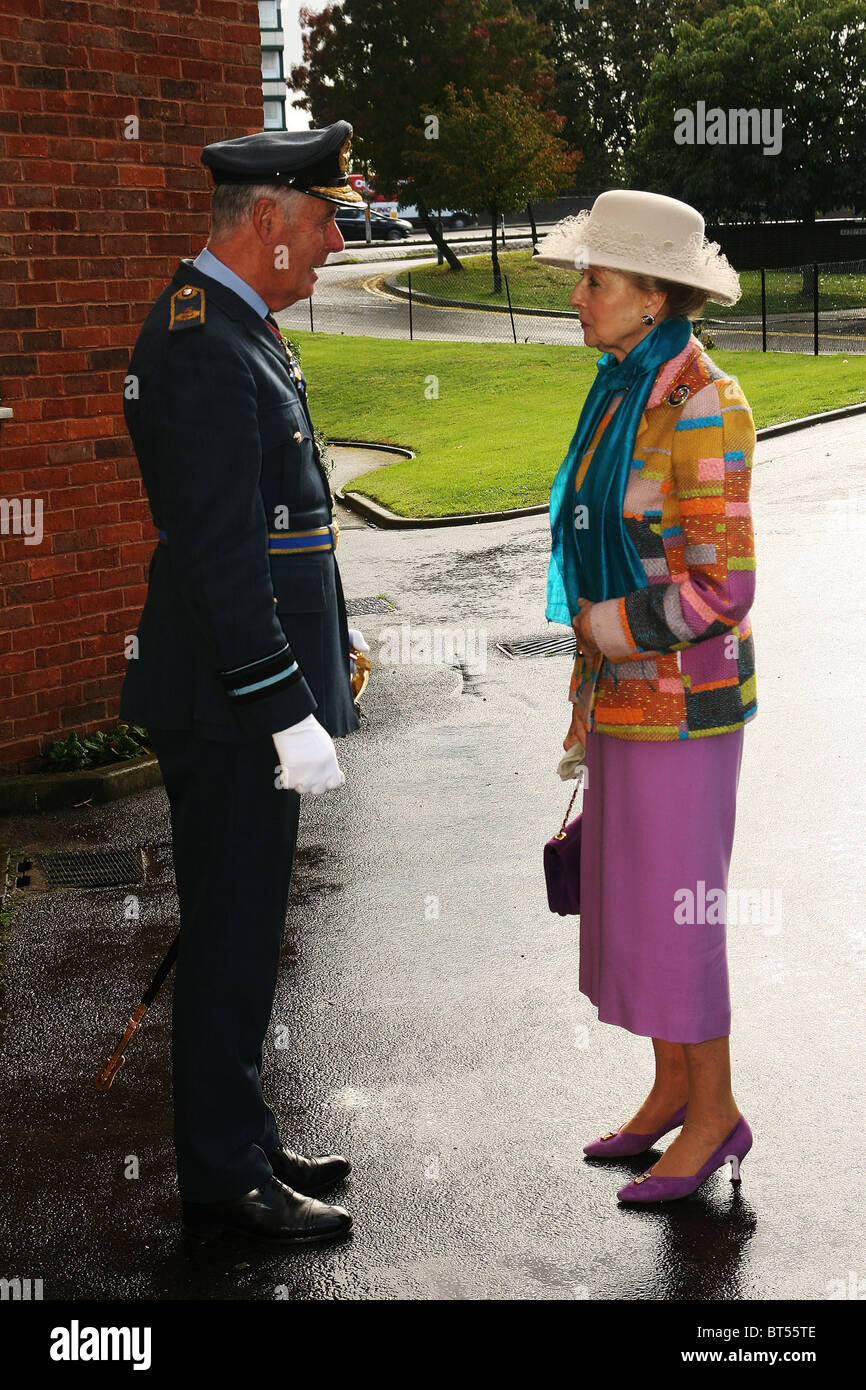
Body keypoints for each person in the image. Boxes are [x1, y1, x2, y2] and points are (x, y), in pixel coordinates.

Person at [120, 122, 370, 1244]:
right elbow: (222, 560)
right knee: (226, 938)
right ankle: (222, 1177)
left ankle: (243, 1129)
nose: (331, 242)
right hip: (230, 710)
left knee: (247, 928)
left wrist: (334, 647)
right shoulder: (201, 344)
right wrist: (285, 710)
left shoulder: (239, 325)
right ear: (266, 219)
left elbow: (292, 530)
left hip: (251, 699)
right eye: (321, 221)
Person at [535, 191, 757, 1203]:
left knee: (679, 913)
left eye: (594, 279)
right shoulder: (624, 391)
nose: (576, 296)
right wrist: (591, 678)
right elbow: (594, 542)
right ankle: (668, 1087)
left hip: (684, 703)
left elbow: (719, 588)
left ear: (651, 296)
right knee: (635, 906)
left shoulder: (705, 401)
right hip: (628, 701)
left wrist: (604, 630)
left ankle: (713, 1112)